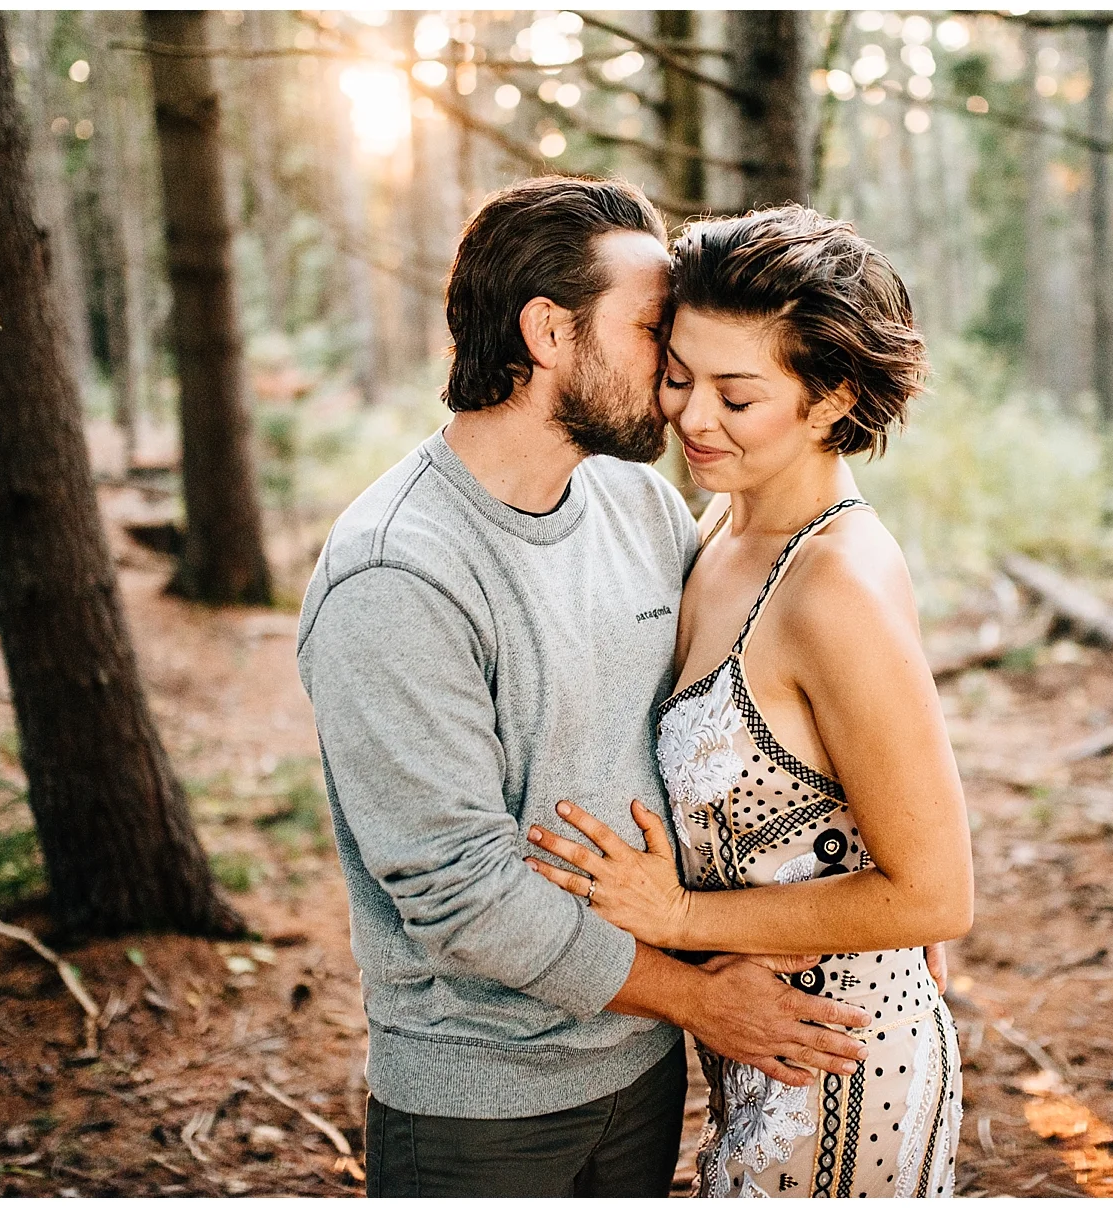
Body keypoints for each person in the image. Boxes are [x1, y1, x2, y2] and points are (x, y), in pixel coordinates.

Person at [295, 177, 874, 1198]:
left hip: (643, 1070)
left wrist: (885, 903)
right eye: (655, 331)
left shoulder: (641, 506)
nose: (678, 371)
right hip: (482, 1106)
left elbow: (751, 714)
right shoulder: (397, 573)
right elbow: (459, 890)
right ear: (550, 331)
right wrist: (697, 996)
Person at [525, 206, 975, 1198]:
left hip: (845, 1064)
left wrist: (680, 914)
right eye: (679, 376)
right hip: (748, 1058)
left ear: (832, 397)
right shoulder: (719, 526)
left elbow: (937, 893)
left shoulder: (834, 585)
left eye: (738, 394)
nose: (691, 418)